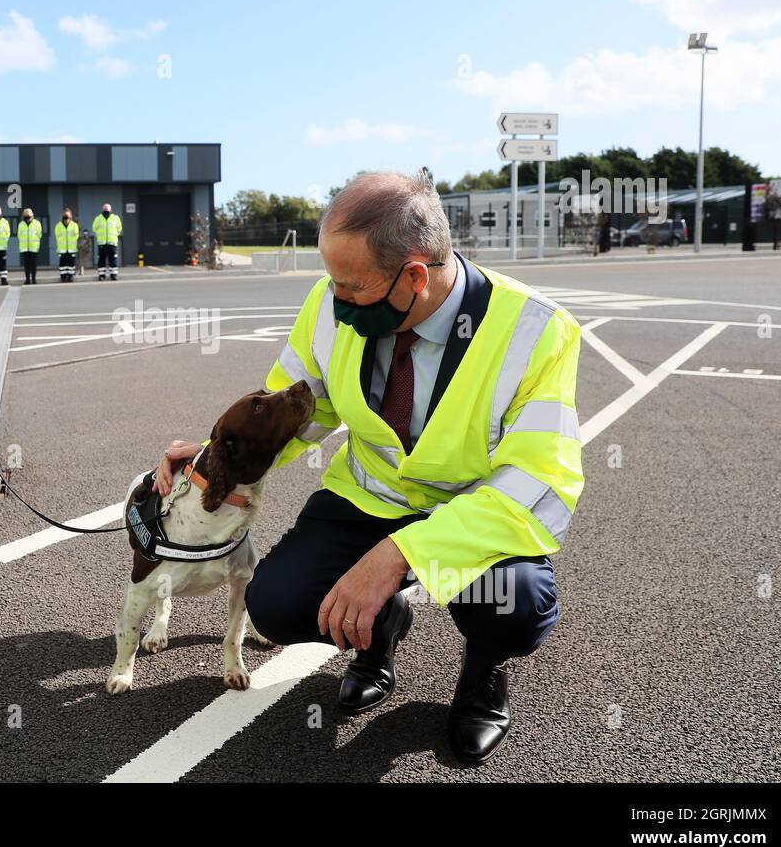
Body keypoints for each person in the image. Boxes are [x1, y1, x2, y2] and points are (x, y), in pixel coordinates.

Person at [153, 171, 582, 765]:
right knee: (274, 604)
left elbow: (537, 481)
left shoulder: (537, 331)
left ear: (414, 275)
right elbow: (293, 409)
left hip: (468, 520)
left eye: (352, 288)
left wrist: (398, 555)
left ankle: (481, 678)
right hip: (367, 498)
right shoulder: (336, 302)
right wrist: (209, 459)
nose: (337, 301)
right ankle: (378, 632)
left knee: (515, 606)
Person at [92, 202, 122, 280]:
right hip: (102, 243)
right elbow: (94, 229)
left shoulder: (115, 218)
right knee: (101, 259)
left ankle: (113, 274)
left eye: (107, 208)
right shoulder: (98, 218)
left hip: (112, 242)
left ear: (111, 210)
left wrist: (114, 236)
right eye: (105, 208)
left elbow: (119, 229)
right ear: (102, 209)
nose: (106, 210)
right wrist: (100, 235)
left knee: (113, 259)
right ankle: (102, 275)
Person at [17, 207, 42, 285]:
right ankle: (27, 279)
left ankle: (33, 279)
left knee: (33, 264)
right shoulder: (21, 224)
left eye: (29, 216)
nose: (27, 217)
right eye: (26, 216)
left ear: (32, 216)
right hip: (24, 248)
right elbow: (19, 235)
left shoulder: (37, 223)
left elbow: (39, 234)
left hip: (33, 247)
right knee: (26, 265)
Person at [54, 207, 80, 282]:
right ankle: (63, 277)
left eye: (67, 216)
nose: (66, 218)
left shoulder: (74, 225)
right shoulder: (58, 226)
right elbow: (57, 236)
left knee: (71, 263)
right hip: (62, 248)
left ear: (70, 217)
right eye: (64, 216)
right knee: (63, 264)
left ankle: (71, 276)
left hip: (72, 248)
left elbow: (76, 235)